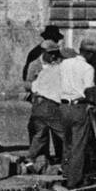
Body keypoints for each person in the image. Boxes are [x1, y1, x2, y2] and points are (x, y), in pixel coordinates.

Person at [58, 44, 96, 189]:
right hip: (78, 106)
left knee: (66, 143)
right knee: (78, 144)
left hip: (63, 107)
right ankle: (74, 180)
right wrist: (92, 104)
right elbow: (89, 89)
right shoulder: (87, 68)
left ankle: (66, 173)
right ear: (90, 54)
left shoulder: (64, 64)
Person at [26, 42, 64, 172]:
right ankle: (46, 158)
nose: (54, 56)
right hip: (44, 103)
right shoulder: (35, 65)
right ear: (44, 53)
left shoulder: (58, 65)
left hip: (49, 103)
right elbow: (28, 84)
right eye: (51, 54)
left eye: (55, 54)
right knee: (60, 133)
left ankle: (31, 159)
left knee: (41, 134)